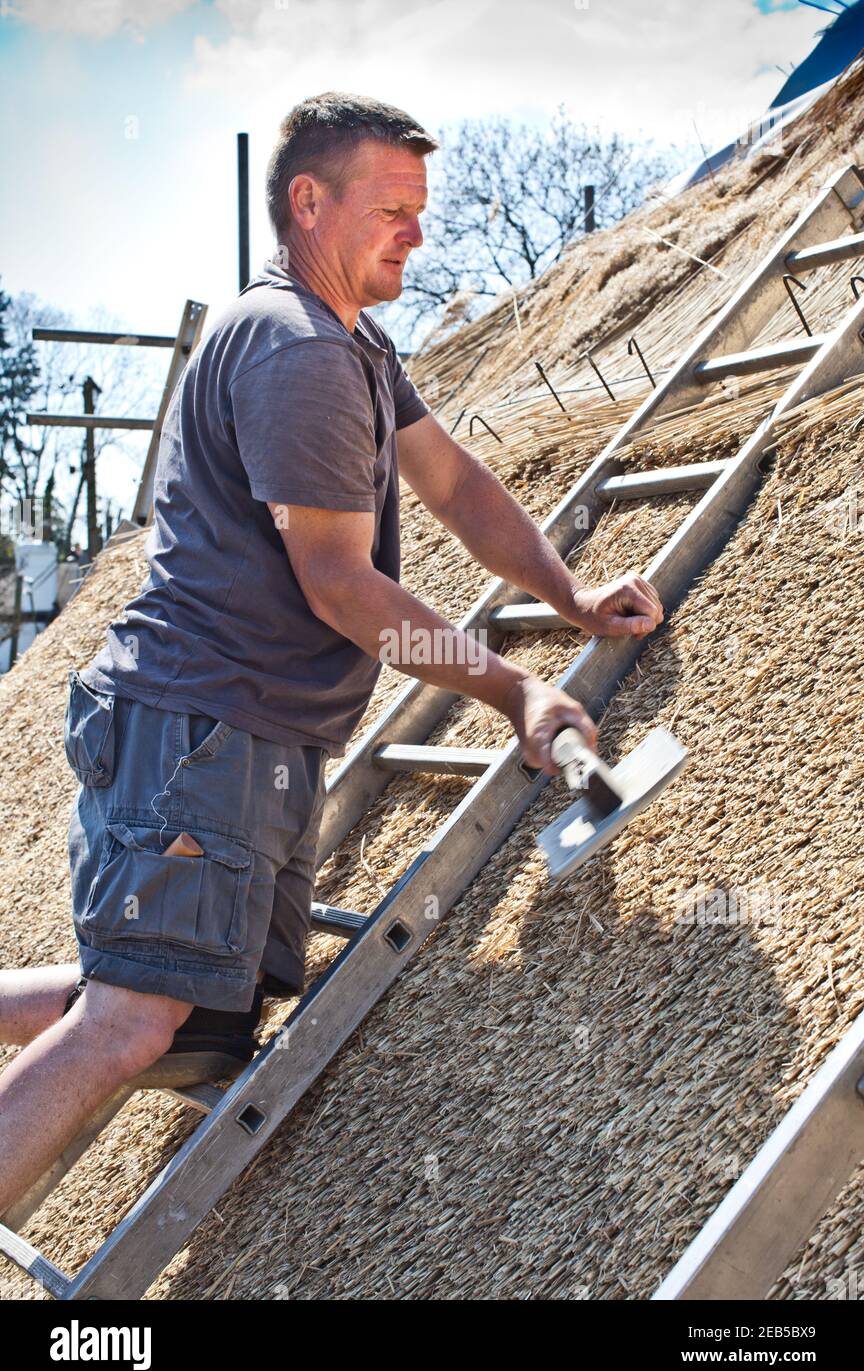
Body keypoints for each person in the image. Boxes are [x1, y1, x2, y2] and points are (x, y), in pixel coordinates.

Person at [0, 93, 662, 1216]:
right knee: (134, 1019)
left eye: (419, 210)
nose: (414, 232)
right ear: (307, 201)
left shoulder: (352, 343)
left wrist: (565, 591)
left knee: (198, 1024)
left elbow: (449, 479)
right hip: (200, 728)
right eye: (391, 208)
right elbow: (339, 584)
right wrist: (510, 689)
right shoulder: (295, 350)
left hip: (239, 733)